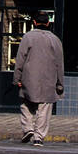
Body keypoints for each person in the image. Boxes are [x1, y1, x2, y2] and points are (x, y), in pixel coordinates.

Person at [13, 11, 65, 146]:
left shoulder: (28, 37)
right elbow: (60, 64)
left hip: (29, 77)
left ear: (34, 23)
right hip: (49, 78)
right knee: (45, 107)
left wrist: (16, 78)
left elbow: (20, 59)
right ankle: (38, 137)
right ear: (48, 23)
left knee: (26, 104)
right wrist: (60, 83)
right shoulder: (55, 40)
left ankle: (28, 129)